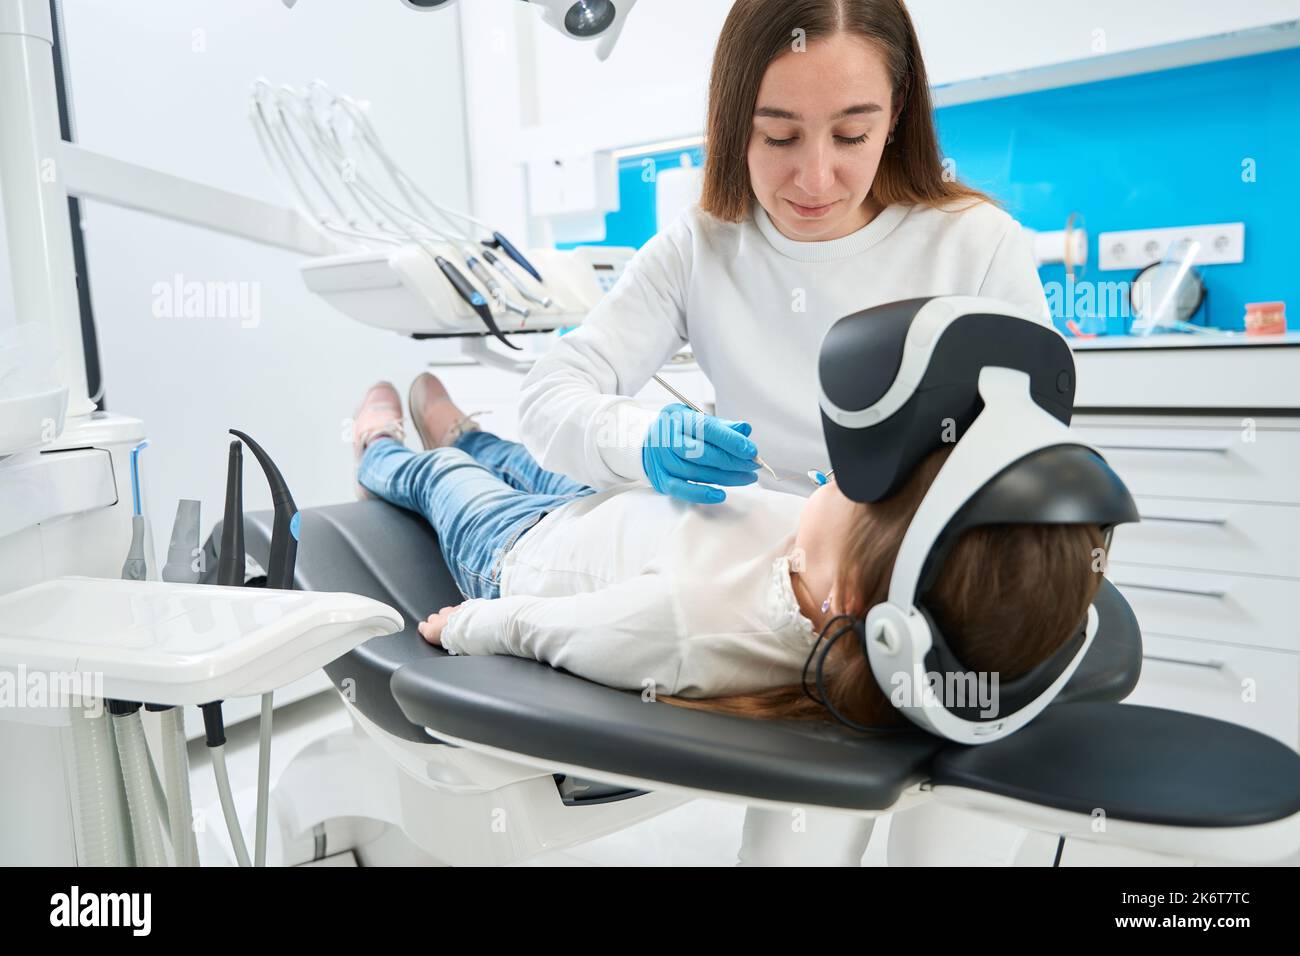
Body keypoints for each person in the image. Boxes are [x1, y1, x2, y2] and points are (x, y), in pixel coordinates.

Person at [516, 0, 1052, 507]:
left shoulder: (976, 245)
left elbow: (1035, 448)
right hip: (751, 562)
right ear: (733, 123)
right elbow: (547, 398)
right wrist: (638, 438)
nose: (815, 179)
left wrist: (910, 494)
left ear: (896, 114)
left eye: (851, 134)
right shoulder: (702, 245)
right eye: (778, 136)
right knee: (510, 489)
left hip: (901, 564)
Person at [352, 374, 1103, 728]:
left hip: (522, 545)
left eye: (857, 489)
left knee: (442, 478)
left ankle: (382, 447)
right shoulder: (843, 578)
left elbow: (547, 628)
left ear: (851, 597)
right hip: (608, 499)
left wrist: (463, 625)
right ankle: (468, 431)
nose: (841, 473)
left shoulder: (686, 624)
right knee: (515, 451)